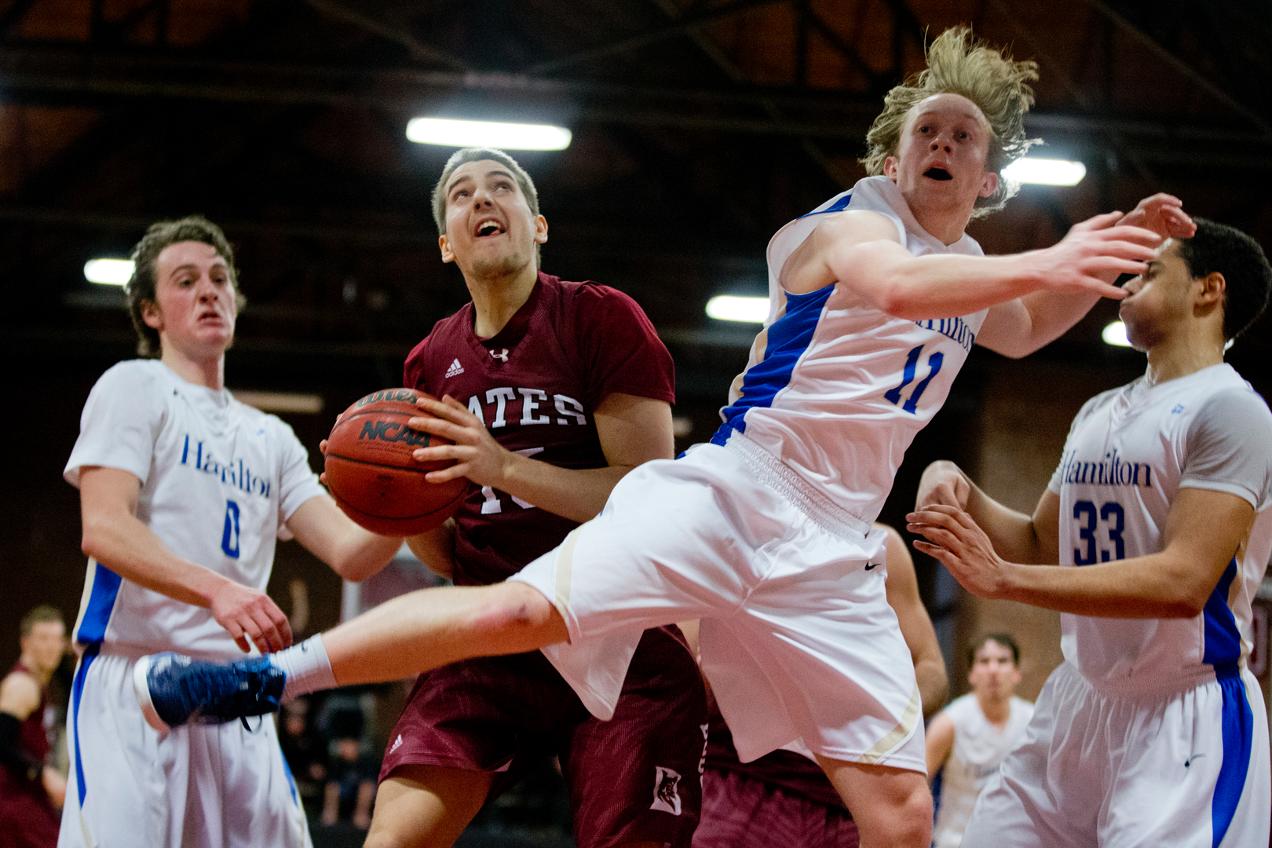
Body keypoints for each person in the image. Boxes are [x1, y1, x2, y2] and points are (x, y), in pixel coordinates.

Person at [137, 27, 1180, 847]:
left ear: (991, 180)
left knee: (902, 816)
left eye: (965, 139)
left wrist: (1115, 250)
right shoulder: (843, 223)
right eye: (927, 133)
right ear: (892, 155)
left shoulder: (982, 274)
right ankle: (267, 680)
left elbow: (1030, 325)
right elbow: (904, 283)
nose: (944, 146)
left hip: (835, 543)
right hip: (735, 489)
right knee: (515, 609)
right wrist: (1053, 259)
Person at [357, 147, 705, 848]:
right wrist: (390, 502)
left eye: (501, 188)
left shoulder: (600, 318)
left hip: (612, 624)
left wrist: (502, 466)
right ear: (445, 244)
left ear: (538, 224)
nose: (482, 199)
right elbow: (447, 550)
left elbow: (651, 505)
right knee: (394, 836)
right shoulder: (429, 362)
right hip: (491, 626)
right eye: (461, 194)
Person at [907, 217, 1272, 847]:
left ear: (1208, 291)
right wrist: (958, 483)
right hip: (1076, 701)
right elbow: (1042, 544)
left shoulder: (1231, 409)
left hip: (1182, 713)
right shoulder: (1099, 410)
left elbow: (1184, 581)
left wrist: (1008, 582)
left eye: (1151, 271)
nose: (1127, 282)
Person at [60, 215, 405, 848]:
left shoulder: (270, 436)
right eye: (185, 281)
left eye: (219, 279)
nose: (209, 292)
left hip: (237, 694)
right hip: (134, 684)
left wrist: (421, 498)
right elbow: (103, 528)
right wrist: (218, 591)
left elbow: (354, 554)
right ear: (151, 312)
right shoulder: (134, 386)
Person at [691, 524, 949, 848]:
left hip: (848, 796)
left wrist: (884, 714)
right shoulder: (735, 524)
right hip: (746, 779)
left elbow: (932, 668)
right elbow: (686, 660)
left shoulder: (883, 545)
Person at [925, 633, 1033, 848]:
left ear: (1016, 673)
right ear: (971, 674)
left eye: (1002, 661)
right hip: (956, 841)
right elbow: (918, 785)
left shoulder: (1033, 721)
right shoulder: (949, 723)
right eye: (984, 661)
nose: (993, 670)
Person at [0, 605, 68, 848]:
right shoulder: (22, 684)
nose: (52, 647)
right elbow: (1, 742)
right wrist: (42, 773)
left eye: (58, 639)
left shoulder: (44, 684)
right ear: (26, 643)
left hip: (27, 799)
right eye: (43, 638)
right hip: (14, 803)